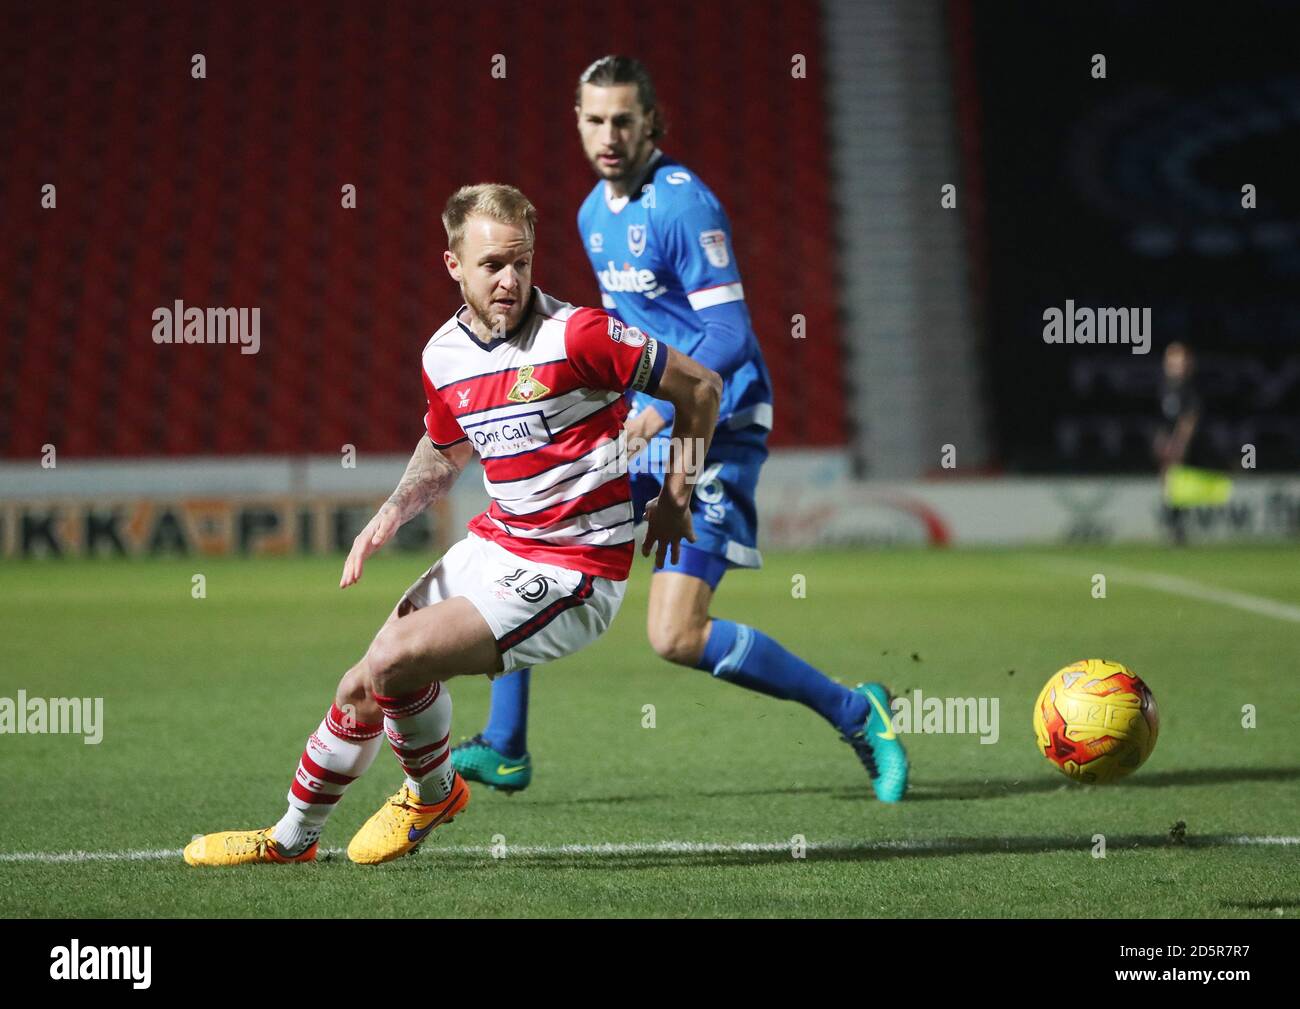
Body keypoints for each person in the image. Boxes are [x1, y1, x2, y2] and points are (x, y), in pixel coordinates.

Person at [183, 182, 721, 866]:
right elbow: (445, 449)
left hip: (572, 570)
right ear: (453, 265)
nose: (510, 278)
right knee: (360, 686)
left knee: (396, 661)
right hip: (498, 543)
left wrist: (679, 493)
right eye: (492, 263)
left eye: (521, 262)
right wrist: (390, 512)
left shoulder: (579, 334)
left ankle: (433, 791)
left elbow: (701, 388)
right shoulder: (444, 354)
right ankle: (290, 839)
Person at [451, 56, 908, 803]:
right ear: (577, 121)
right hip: (647, 420)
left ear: (651, 122)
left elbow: (728, 333)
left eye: (623, 120)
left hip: (715, 425)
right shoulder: (593, 213)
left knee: (675, 635)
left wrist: (663, 406)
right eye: (594, 119)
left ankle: (859, 712)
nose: (608, 134)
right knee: (529, 533)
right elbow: (634, 335)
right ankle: (505, 744)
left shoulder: (683, 204)